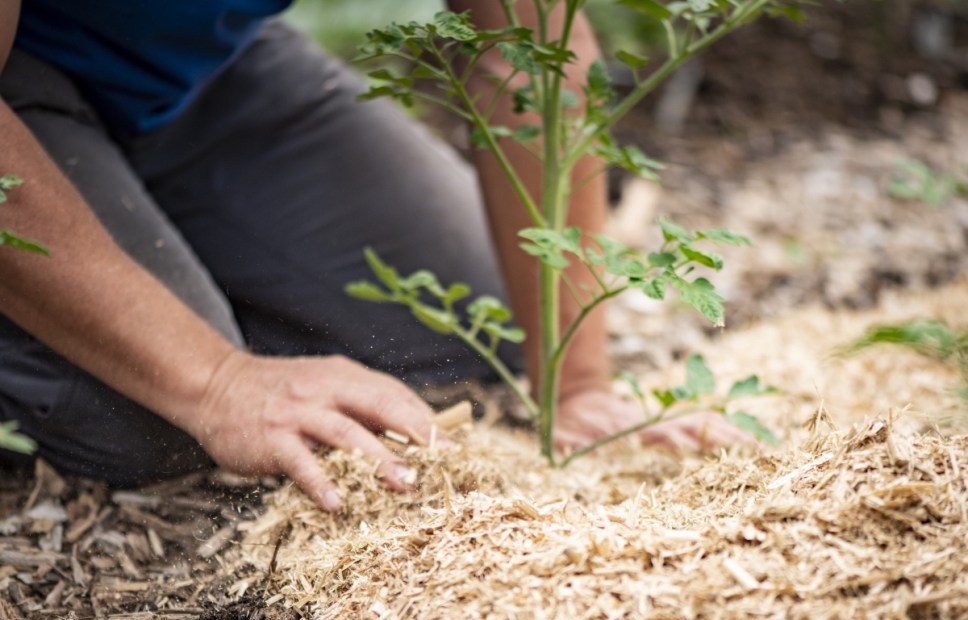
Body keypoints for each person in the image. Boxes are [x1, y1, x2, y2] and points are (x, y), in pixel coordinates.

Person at [0, 0, 747, 513]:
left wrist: (577, 385)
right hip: (19, 71)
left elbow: (534, 54)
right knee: (151, 422)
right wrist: (217, 381)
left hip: (195, 63)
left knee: (481, 318)